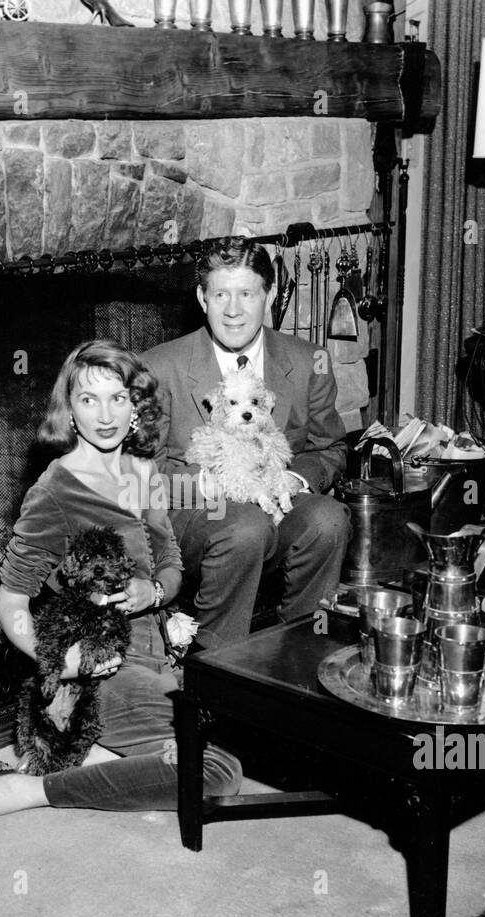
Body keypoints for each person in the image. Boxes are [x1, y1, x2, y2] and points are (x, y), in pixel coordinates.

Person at [0, 340, 242, 833]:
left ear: (135, 408)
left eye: (118, 399)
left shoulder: (144, 472)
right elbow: (9, 603)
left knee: (238, 737)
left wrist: (156, 592)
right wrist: (65, 662)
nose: (105, 415)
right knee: (217, 771)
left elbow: (170, 561)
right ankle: (25, 791)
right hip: (105, 668)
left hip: (161, 658)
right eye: (88, 399)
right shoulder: (55, 490)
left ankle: (85, 760)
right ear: (71, 412)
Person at [141, 237, 352, 651]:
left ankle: (302, 649)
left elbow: (331, 448)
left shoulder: (309, 361)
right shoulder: (158, 366)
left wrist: (293, 478)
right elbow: (138, 475)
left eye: (246, 294)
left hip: (275, 499)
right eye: (220, 294)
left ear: (268, 295)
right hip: (194, 514)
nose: (233, 310)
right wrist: (205, 487)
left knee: (329, 519)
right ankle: (215, 663)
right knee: (245, 526)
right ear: (202, 298)